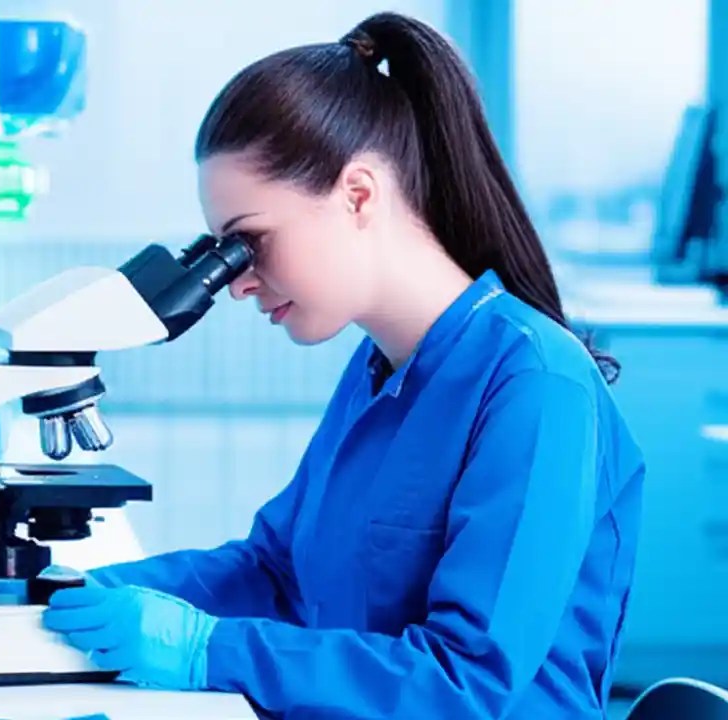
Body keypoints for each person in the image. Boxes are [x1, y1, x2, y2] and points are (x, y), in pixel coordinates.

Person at [40, 11, 646, 720]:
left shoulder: (536, 385)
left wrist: (210, 649)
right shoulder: (381, 369)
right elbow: (276, 571)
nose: (236, 283)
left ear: (358, 194)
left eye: (248, 243)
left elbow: (466, 685)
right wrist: (77, 590)